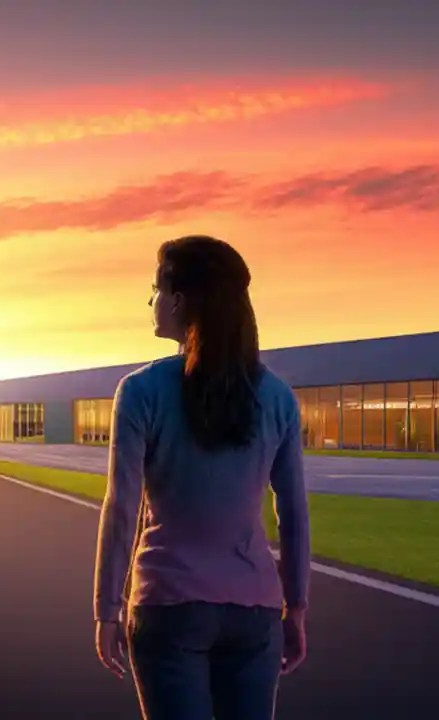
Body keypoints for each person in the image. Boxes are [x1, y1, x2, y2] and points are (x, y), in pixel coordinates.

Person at [93, 235, 310, 720]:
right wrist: (295, 605)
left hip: (170, 606)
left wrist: (107, 608)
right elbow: (293, 512)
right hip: (255, 610)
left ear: (179, 299)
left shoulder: (140, 390)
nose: (151, 301)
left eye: (155, 288)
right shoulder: (276, 396)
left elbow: (122, 506)